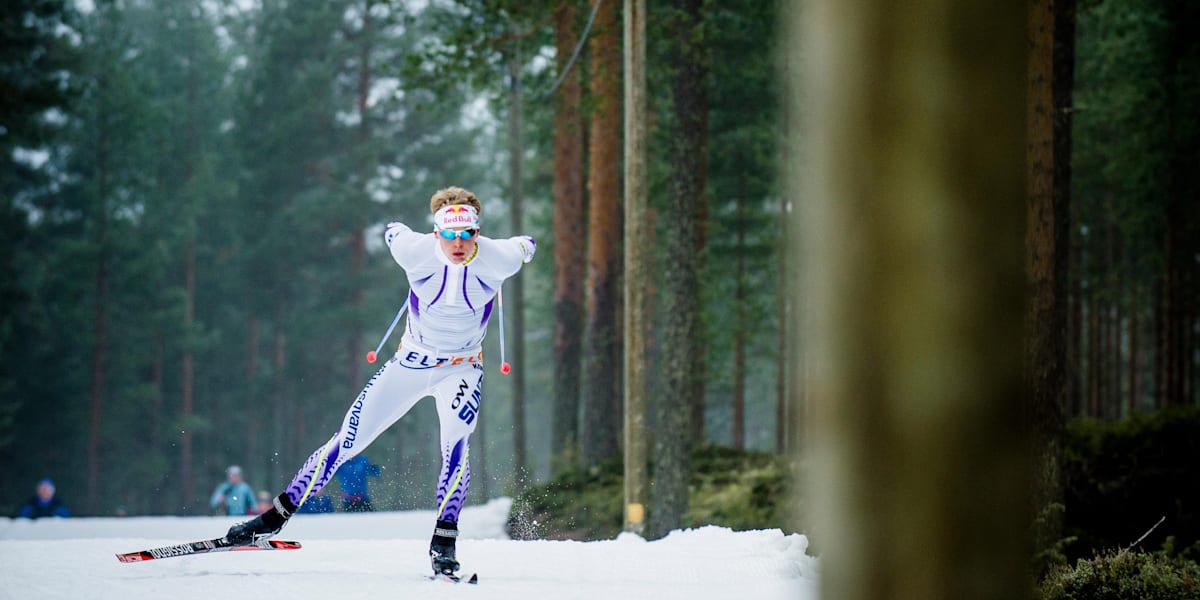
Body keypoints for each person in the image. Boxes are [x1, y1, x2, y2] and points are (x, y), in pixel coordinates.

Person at [223, 186, 536, 578]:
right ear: (436, 232)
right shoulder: (415, 250)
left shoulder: (498, 257)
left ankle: (444, 544)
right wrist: (394, 231)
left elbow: (526, 244)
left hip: (461, 370)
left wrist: (524, 246)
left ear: (478, 231)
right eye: (449, 234)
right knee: (345, 442)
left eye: (467, 234)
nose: (458, 243)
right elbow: (393, 230)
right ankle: (271, 521)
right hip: (409, 365)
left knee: (457, 451)